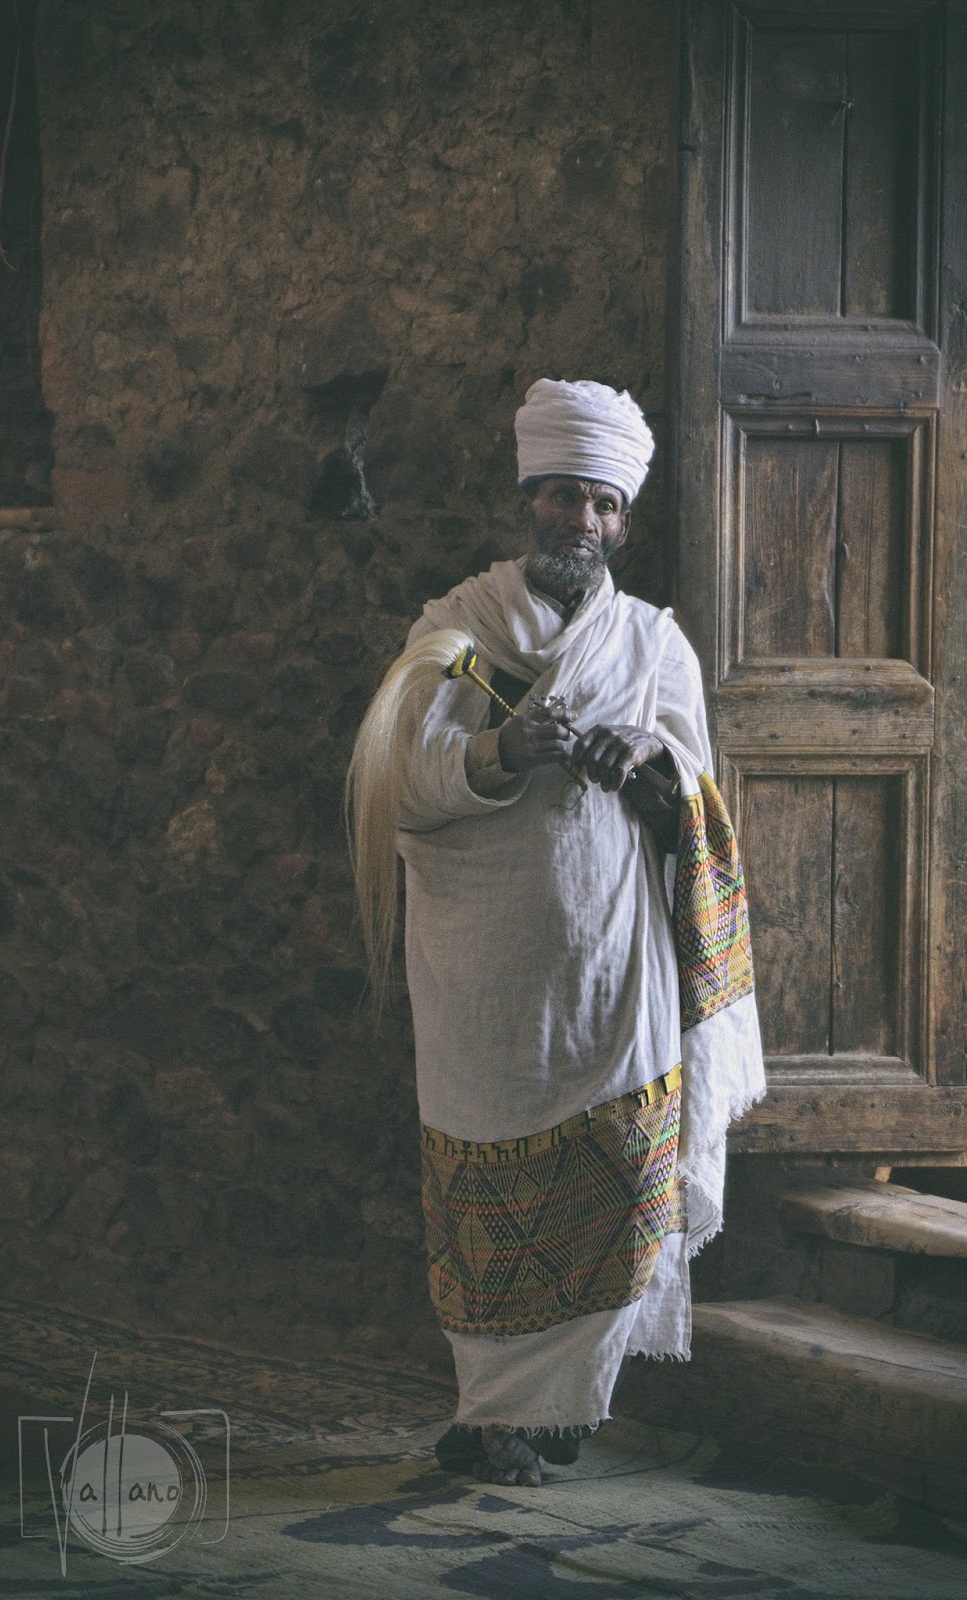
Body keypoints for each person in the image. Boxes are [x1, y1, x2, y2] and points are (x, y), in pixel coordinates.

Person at [348, 378, 764, 1487]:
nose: (578, 520)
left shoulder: (652, 645)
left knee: (625, 1189)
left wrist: (646, 761)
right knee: (490, 1217)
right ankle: (494, 1413)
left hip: (609, 976)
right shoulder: (453, 631)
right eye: (558, 496)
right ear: (524, 497)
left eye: (599, 504)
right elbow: (401, 783)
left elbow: (697, 796)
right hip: (483, 983)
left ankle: (551, 1407)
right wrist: (502, 752)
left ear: (620, 519)